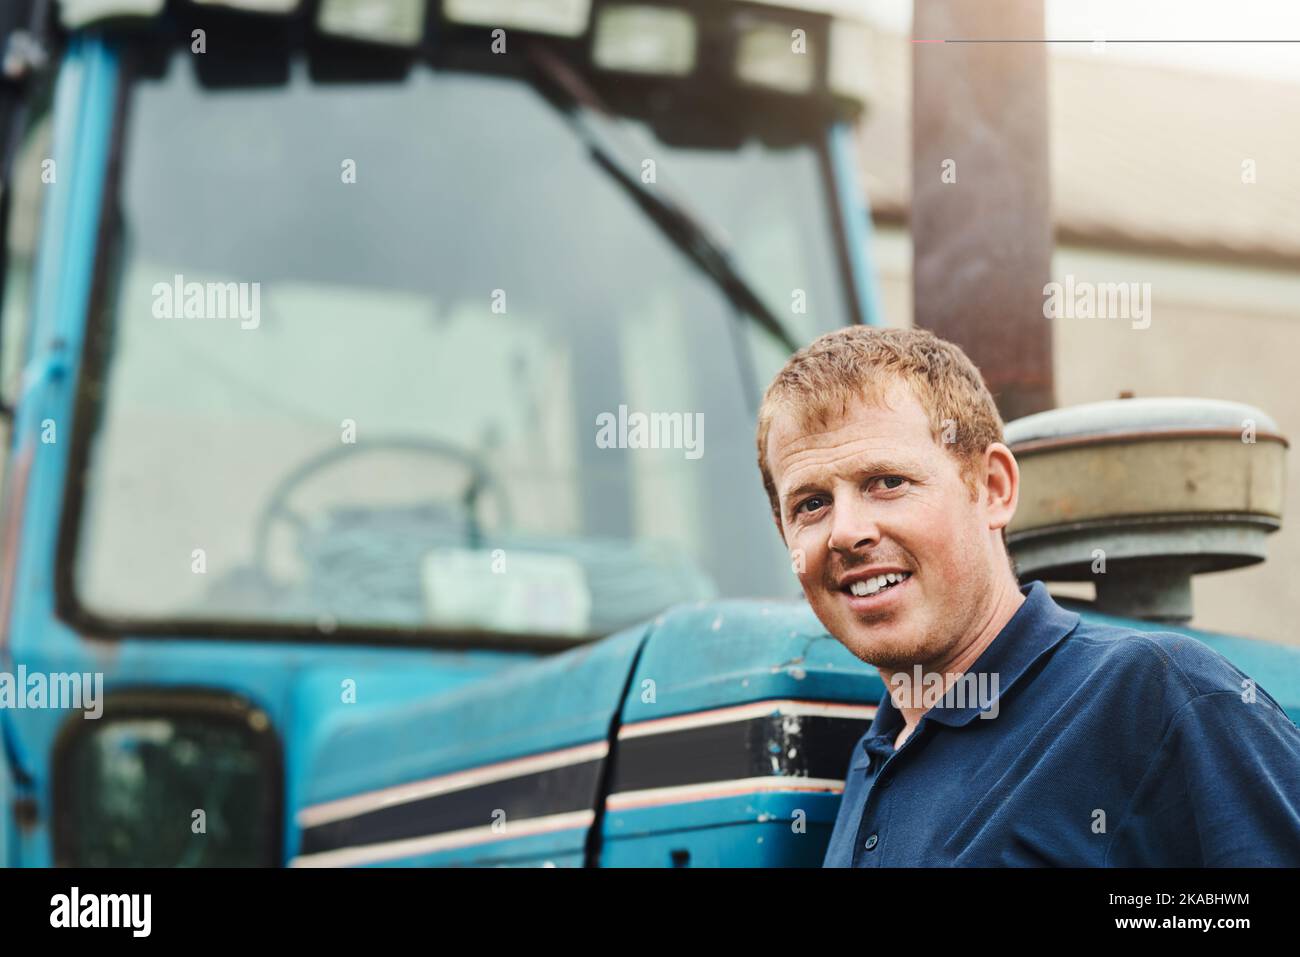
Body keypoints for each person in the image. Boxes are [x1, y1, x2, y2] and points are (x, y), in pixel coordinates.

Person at [755, 325, 1300, 866]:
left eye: (887, 482)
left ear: (993, 489)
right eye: (811, 504)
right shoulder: (871, 762)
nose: (846, 532)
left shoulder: (1154, 697)